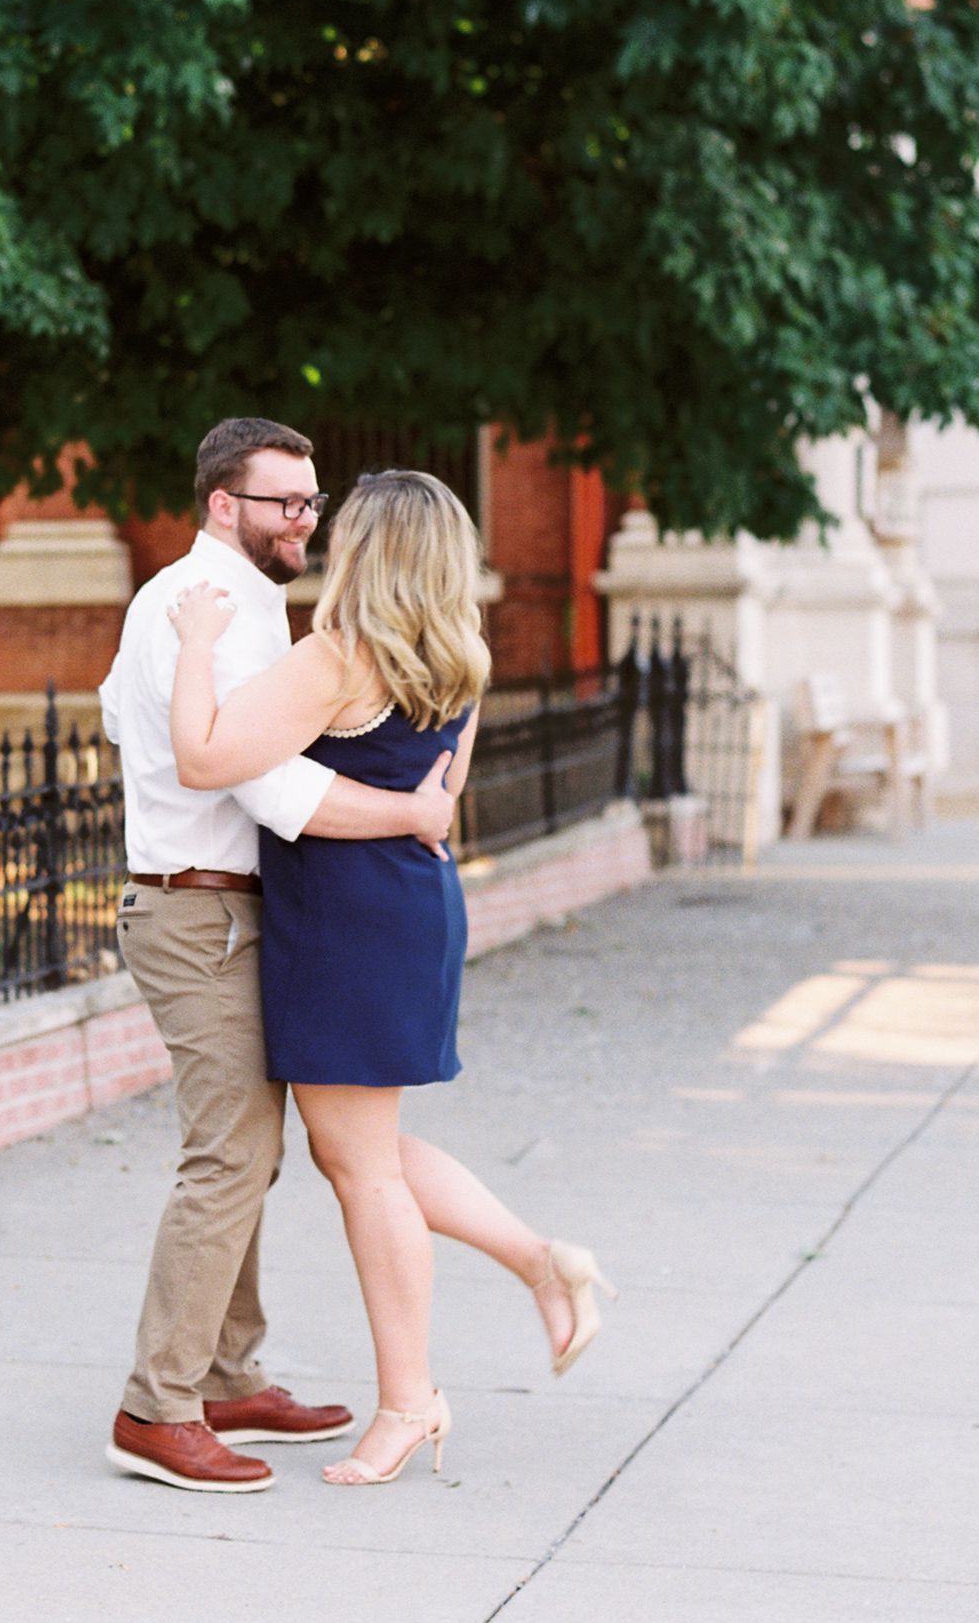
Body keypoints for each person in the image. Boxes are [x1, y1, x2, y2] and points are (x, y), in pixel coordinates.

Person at [168, 469, 616, 1489]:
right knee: (360, 1149)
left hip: (345, 921)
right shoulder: (460, 656)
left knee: (362, 1167)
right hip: (407, 907)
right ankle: (541, 1261)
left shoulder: (338, 656)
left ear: (366, 548)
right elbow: (439, 799)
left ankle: (411, 1401)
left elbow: (203, 757)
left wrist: (195, 643)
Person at [97, 418, 462, 1495]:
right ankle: (156, 1407)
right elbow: (262, 781)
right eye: (284, 502)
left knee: (249, 1154)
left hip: (241, 907)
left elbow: (122, 717)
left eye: (312, 502)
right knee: (229, 1155)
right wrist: (410, 813)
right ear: (224, 504)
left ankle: (226, 1374)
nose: (305, 518)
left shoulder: (250, 605)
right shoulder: (196, 604)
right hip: (196, 907)